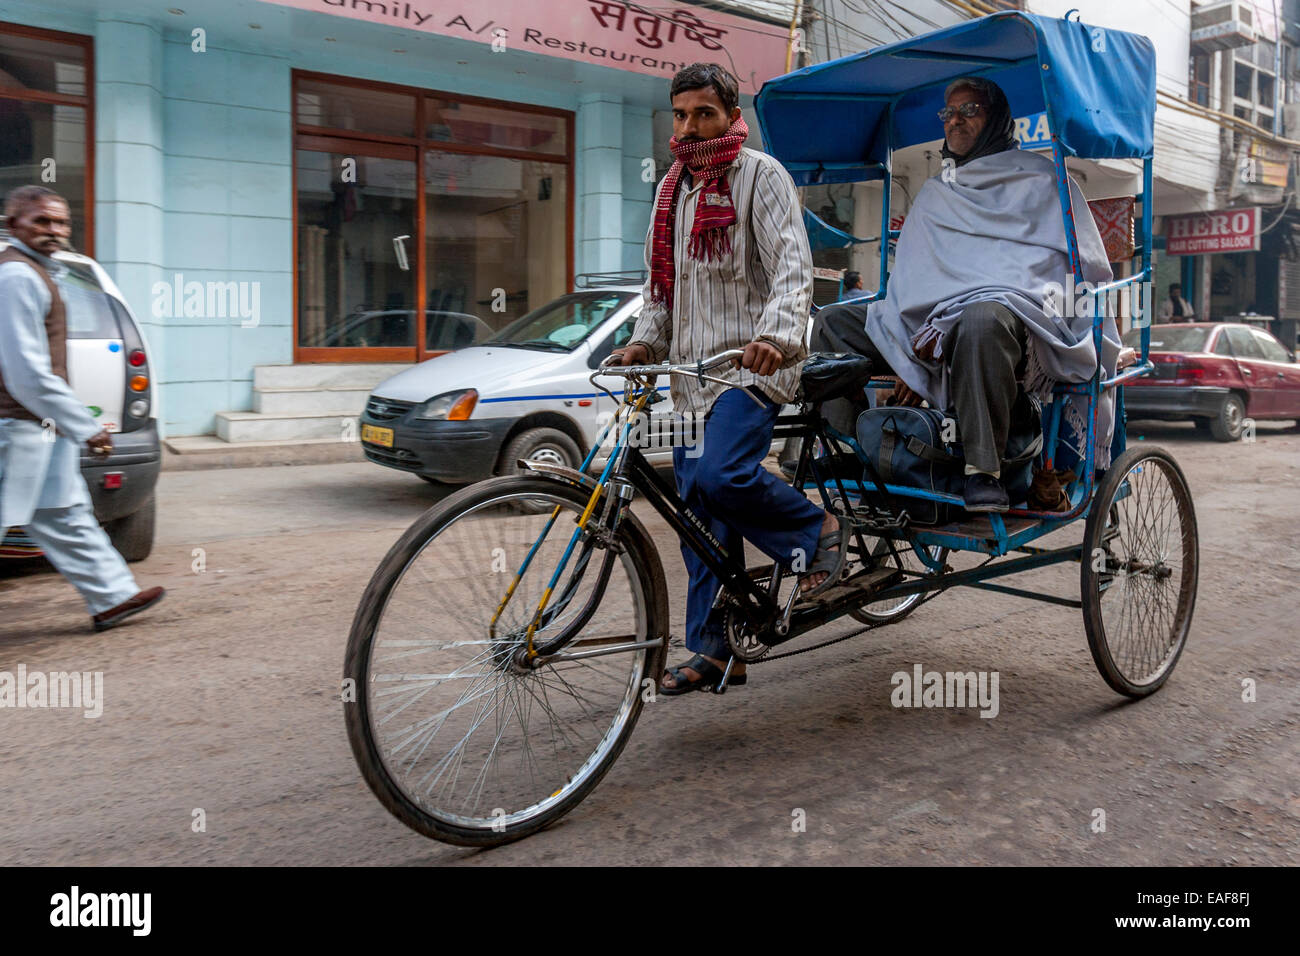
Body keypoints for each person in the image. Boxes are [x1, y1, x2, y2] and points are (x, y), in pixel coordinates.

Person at [610, 63, 843, 695]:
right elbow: (662, 290)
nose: (690, 126)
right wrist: (640, 344)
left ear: (730, 114)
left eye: (703, 113)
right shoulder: (672, 192)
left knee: (720, 474)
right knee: (696, 512)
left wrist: (776, 338)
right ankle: (716, 651)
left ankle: (816, 530)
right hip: (689, 374)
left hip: (753, 365)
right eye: (680, 114)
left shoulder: (761, 176)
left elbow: (794, 269)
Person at [811, 76, 1120, 512]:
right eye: (948, 113)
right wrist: (908, 350)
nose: (955, 121)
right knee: (832, 323)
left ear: (996, 119)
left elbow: (1062, 271)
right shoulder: (939, 191)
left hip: (1014, 317)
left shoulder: (1042, 179)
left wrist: (957, 317)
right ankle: (852, 453)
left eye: (969, 110)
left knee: (982, 316)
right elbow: (912, 280)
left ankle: (984, 471)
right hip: (928, 325)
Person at [0, 185, 164, 631]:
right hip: (15, 425)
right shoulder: (17, 277)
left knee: (63, 510)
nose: (53, 230)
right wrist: (87, 426)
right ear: (14, 225)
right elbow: (27, 373)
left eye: (60, 222)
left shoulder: (41, 272)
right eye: (41, 221)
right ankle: (112, 596)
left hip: (38, 425)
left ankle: (113, 598)